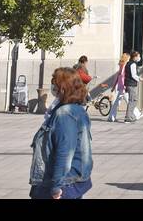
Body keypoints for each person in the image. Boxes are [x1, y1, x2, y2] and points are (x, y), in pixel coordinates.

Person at [29, 67, 94, 199]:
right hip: (70, 181)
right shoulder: (76, 109)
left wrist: (56, 187)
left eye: (55, 83)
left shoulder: (65, 114)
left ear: (63, 88)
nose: (53, 87)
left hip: (64, 184)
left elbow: (64, 152)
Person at [107, 52, 130, 123]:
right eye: (129, 58)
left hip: (121, 86)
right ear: (126, 58)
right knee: (130, 101)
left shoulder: (121, 66)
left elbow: (118, 77)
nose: (129, 59)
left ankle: (111, 117)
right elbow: (123, 77)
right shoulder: (124, 66)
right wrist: (124, 86)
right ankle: (136, 114)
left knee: (118, 102)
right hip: (123, 87)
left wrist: (114, 86)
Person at [124, 50, 143, 121]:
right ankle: (128, 117)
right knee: (133, 100)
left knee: (133, 100)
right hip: (131, 84)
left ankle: (131, 116)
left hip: (129, 83)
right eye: (138, 56)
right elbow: (133, 75)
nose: (139, 58)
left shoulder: (128, 63)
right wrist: (139, 78)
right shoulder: (133, 64)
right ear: (134, 57)